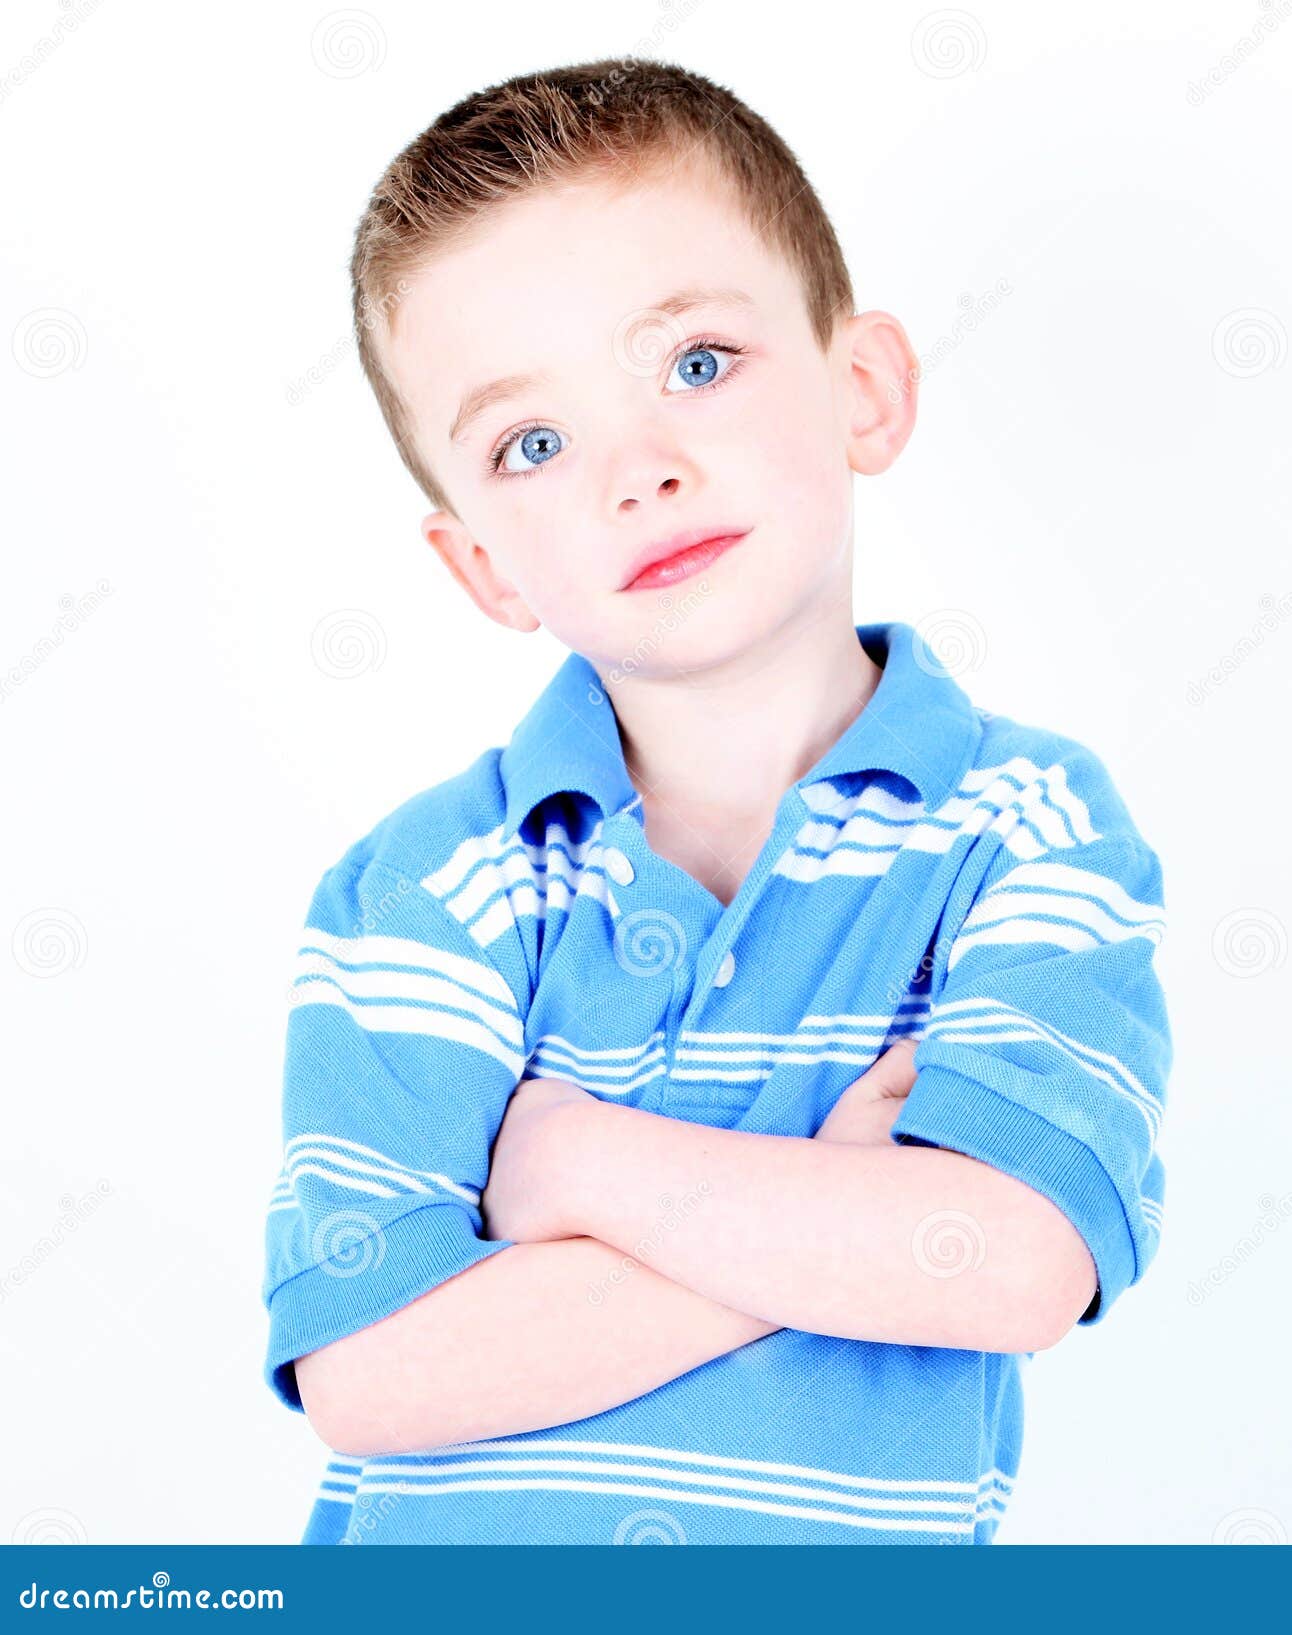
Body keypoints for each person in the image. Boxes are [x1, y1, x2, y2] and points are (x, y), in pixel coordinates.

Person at [262, 58, 1173, 1545]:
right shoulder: (425, 888)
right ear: (485, 565)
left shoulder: (1025, 830)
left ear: (862, 389)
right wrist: (838, 1207)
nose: (642, 472)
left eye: (694, 362)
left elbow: (1009, 1266)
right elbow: (368, 1370)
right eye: (532, 445)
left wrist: (584, 1168)